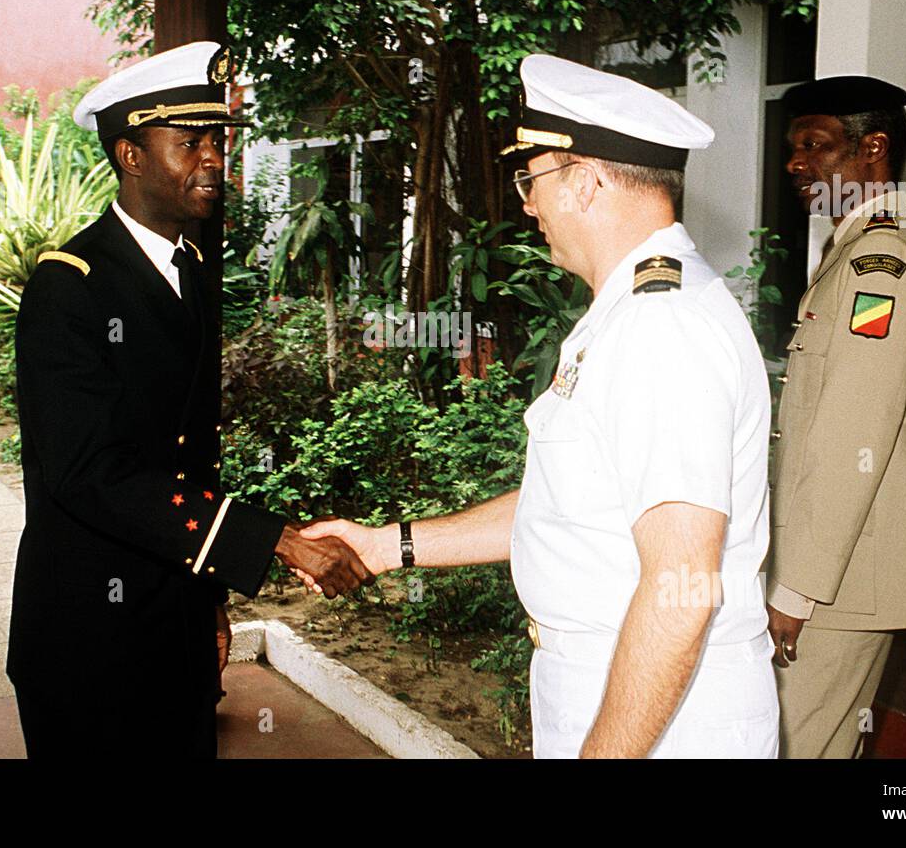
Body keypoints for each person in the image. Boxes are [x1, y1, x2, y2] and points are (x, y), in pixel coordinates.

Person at [300, 54, 778, 758]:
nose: (527, 201)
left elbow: (681, 591)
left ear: (586, 182)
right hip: (617, 693)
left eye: (534, 177)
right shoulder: (628, 314)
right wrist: (387, 545)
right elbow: (570, 502)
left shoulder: (661, 330)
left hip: (667, 724)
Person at [5, 41, 372, 759]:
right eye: (190, 143)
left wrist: (210, 600)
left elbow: (189, 457)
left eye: (218, 142)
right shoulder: (69, 287)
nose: (212, 160)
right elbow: (93, 475)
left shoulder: (191, 268)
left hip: (172, 623)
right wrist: (273, 539)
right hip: (87, 640)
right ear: (131, 155)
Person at [767, 75, 906, 759]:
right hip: (839, 566)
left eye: (814, 145)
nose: (796, 162)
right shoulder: (858, 249)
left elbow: (853, 438)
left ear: (873, 148)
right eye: (794, 147)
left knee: (796, 746)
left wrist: (798, 586)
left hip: (841, 578)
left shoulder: (883, 262)